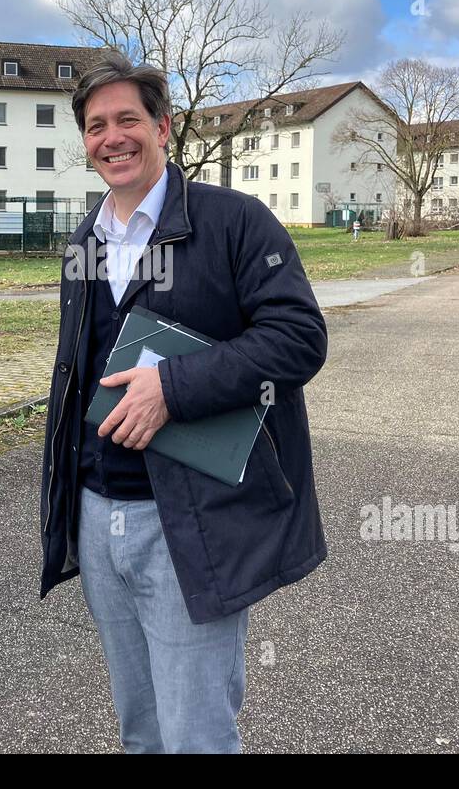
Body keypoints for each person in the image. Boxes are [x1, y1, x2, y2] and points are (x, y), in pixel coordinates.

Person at [38, 53, 329, 753]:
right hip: (100, 518)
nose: (114, 137)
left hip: (190, 525)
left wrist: (175, 386)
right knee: (141, 733)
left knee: (195, 737)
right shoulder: (84, 244)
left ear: (163, 126)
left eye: (129, 119)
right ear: (85, 140)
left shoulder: (235, 222)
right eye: (97, 125)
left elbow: (299, 339)